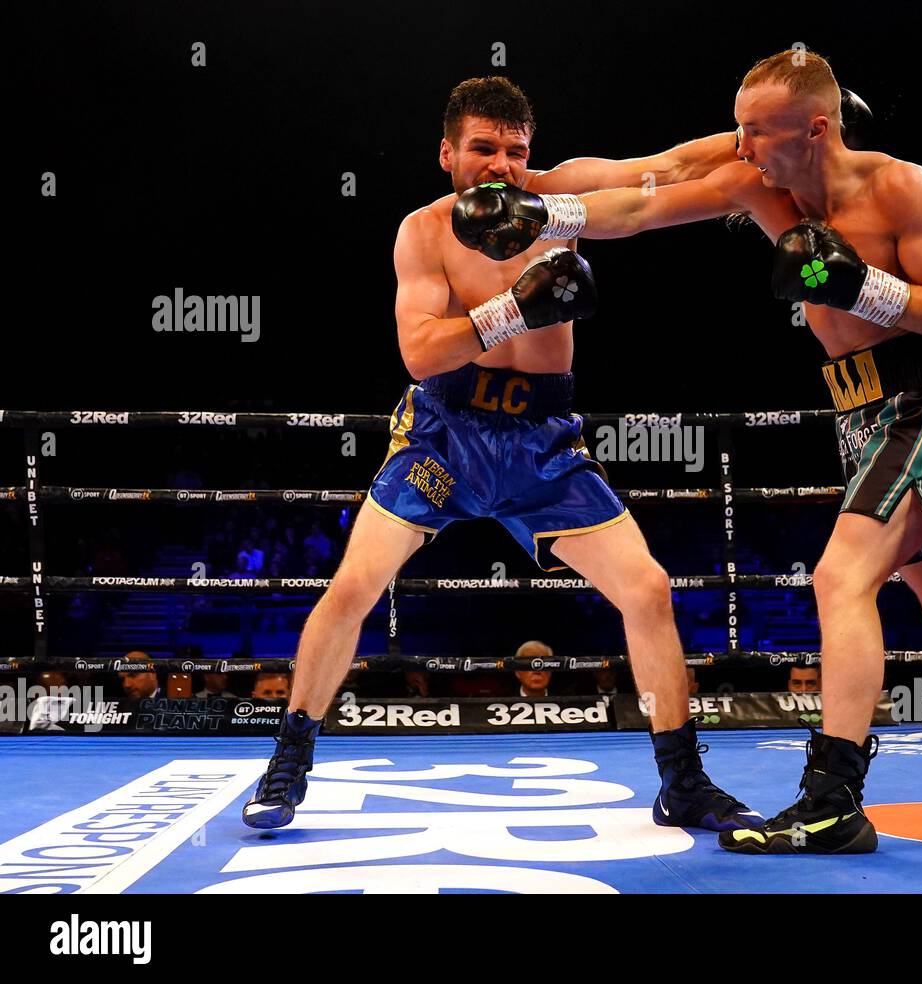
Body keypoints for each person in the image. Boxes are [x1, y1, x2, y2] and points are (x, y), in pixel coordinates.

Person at [453, 51, 922, 854]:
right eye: (740, 126)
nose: (740, 142)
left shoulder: (906, 189)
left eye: (757, 129)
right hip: (858, 412)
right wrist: (536, 211)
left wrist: (856, 284)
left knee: (840, 578)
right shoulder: (759, 182)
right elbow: (639, 201)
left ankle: (833, 798)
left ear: (818, 127)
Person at [244, 77, 757, 835]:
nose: (502, 166)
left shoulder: (562, 201)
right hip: (443, 436)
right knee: (354, 585)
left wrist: (770, 138)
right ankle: (288, 762)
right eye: (484, 148)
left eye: (516, 152)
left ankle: (681, 778)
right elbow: (421, 353)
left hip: (544, 442)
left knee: (647, 590)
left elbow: (673, 169)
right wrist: (516, 307)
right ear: (447, 151)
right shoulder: (422, 233)